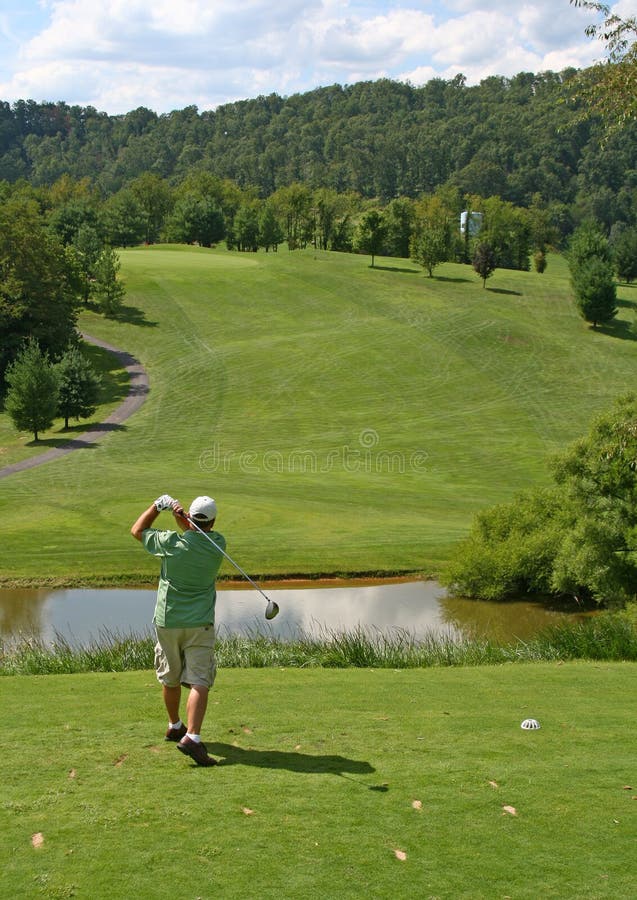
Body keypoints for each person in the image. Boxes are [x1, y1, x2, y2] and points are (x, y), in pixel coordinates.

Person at [131, 493, 226, 767]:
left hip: (168, 620)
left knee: (170, 677)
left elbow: (137, 530)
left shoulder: (170, 543)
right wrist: (183, 521)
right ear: (214, 521)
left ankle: (175, 724)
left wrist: (158, 506)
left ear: (190, 518)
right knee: (199, 680)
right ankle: (192, 737)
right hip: (200, 623)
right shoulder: (218, 544)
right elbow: (198, 536)